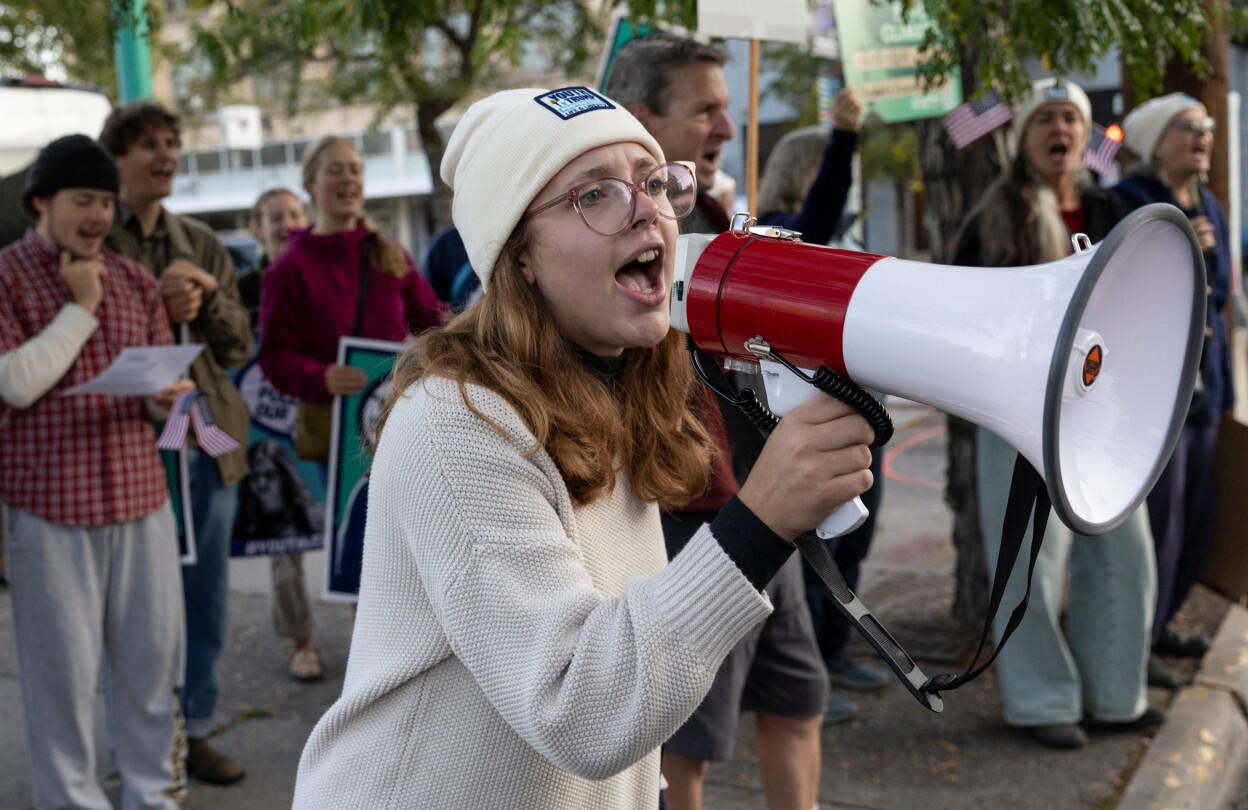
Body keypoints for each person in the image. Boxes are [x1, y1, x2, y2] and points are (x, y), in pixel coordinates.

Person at [292, 85, 876, 808]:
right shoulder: (455, 421)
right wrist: (758, 523)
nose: (646, 206)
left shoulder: (621, 383)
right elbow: (578, 706)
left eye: (653, 180)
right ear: (520, 258)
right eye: (593, 194)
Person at [605, 32, 829, 810]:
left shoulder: (727, 217)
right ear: (641, 118)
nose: (726, 130)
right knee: (684, 742)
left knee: (796, 699)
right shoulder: (611, 239)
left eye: (727, 112)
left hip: (767, 496)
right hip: (685, 520)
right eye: (705, 110)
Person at [0, 134, 192, 808]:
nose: (97, 216)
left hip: (140, 498)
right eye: (81, 200)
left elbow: (156, 401)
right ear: (41, 201)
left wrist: (163, 399)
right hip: (48, 507)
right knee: (60, 680)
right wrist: (79, 308)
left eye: (104, 203)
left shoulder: (136, 279)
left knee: (150, 666)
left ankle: (154, 796)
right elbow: (16, 382)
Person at [951, 79, 1162, 750]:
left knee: (1126, 554)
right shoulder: (992, 215)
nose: (1061, 128)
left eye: (1071, 116)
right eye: (1047, 118)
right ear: (1025, 136)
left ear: (1085, 133)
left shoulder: (1112, 208)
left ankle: (1115, 696)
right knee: (1029, 565)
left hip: (1105, 412)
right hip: (1016, 408)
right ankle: (1042, 701)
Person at [100, 102, 255, 786]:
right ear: (116, 161)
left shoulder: (200, 241)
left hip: (206, 438)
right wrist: (155, 310)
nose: (163, 155)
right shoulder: (97, 243)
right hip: (131, 448)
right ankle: (138, 744)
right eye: (147, 146)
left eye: (171, 144)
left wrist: (208, 295)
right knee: (132, 605)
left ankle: (196, 731)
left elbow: (238, 346)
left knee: (205, 598)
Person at [756, 89, 892, 726]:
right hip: (811, 416)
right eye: (833, 171)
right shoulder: (781, 235)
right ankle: (814, 660)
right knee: (818, 551)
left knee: (852, 541)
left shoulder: (834, 235)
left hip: (853, 408)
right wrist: (844, 139)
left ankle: (834, 652)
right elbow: (820, 209)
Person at [1112, 93, 1232, 678]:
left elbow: (1224, 292)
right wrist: (1190, 251)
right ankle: (1138, 642)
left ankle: (1162, 625)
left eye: (1207, 127)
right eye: (1189, 127)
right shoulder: (1131, 200)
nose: (1203, 136)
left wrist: (1209, 255)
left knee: (1202, 518)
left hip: (1208, 391)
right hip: (1159, 397)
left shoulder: (1209, 201)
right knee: (1162, 520)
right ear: (1159, 140)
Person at [256, 134, 445, 475]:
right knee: (352, 526)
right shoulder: (288, 268)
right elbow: (274, 356)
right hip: (336, 433)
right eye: (336, 171)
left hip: (396, 418)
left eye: (356, 170)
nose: (349, 179)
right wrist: (321, 376)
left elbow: (434, 323)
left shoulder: (388, 251)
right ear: (310, 185)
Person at [239, 187, 324, 682]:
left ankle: (368, 634)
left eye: (294, 213)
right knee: (281, 536)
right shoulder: (245, 289)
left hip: (314, 417)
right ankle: (300, 639)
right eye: (274, 217)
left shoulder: (314, 278)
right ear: (255, 228)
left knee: (343, 529)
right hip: (264, 427)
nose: (286, 223)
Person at [240, 187, 309, 323]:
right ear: (256, 229)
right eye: (276, 219)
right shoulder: (243, 290)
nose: (288, 225)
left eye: (295, 216)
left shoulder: (321, 279)